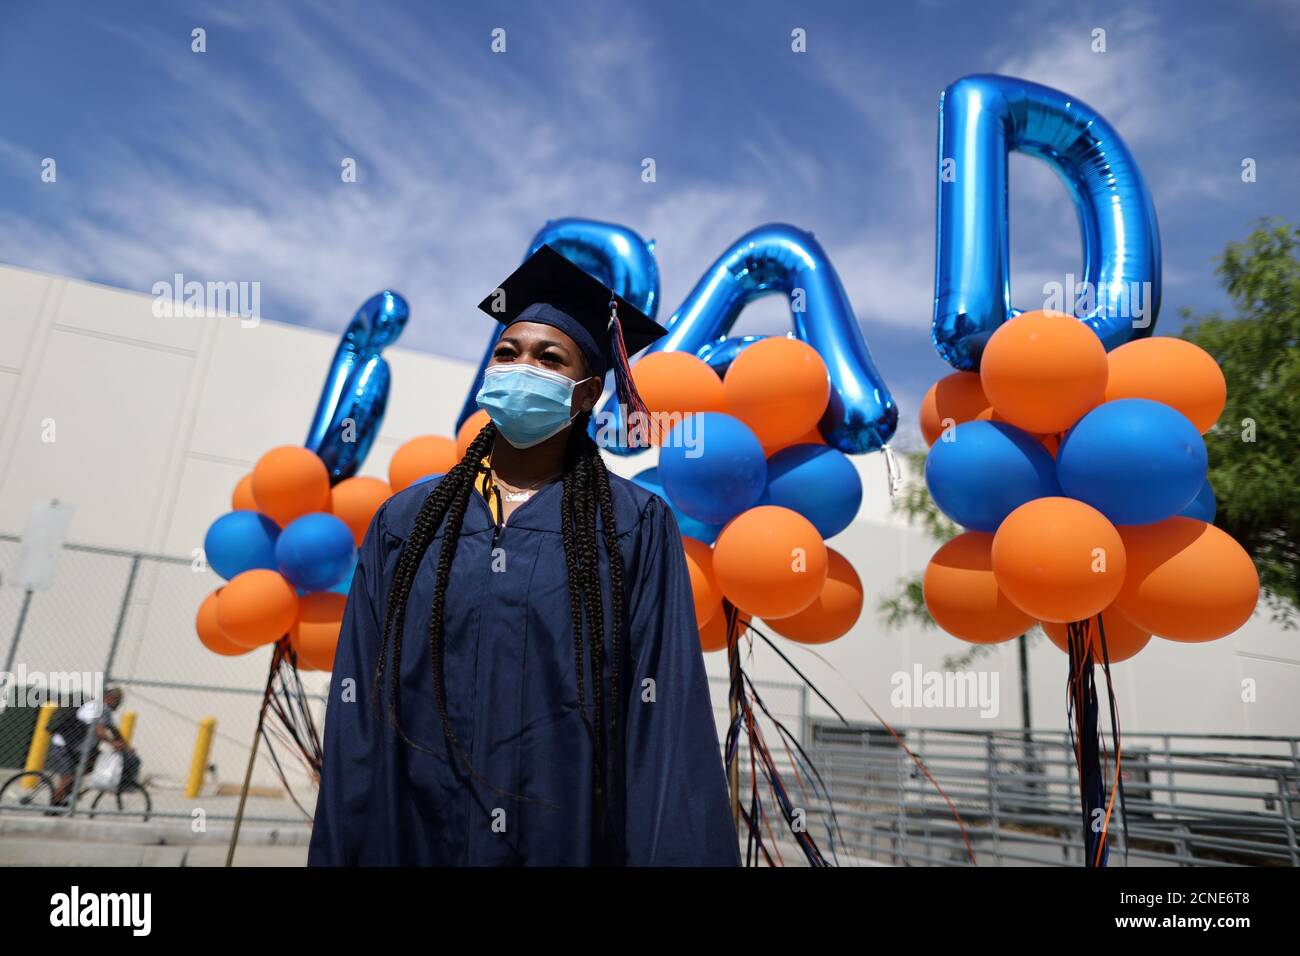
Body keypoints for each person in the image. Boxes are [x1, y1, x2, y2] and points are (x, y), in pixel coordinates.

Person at [309, 244, 740, 866]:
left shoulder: (631, 526)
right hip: (415, 840)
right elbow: (358, 716)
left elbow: (664, 722)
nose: (520, 367)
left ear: (588, 392)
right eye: (507, 353)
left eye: (548, 357)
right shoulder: (407, 523)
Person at [48, 686, 128, 806]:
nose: (119, 704)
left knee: (98, 764)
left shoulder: (105, 711)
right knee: (68, 776)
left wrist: (126, 746)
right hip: (64, 746)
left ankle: (71, 792)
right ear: (110, 698)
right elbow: (98, 730)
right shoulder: (96, 708)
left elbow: (114, 729)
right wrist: (113, 743)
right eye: (118, 700)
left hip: (80, 748)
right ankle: (54, 805)